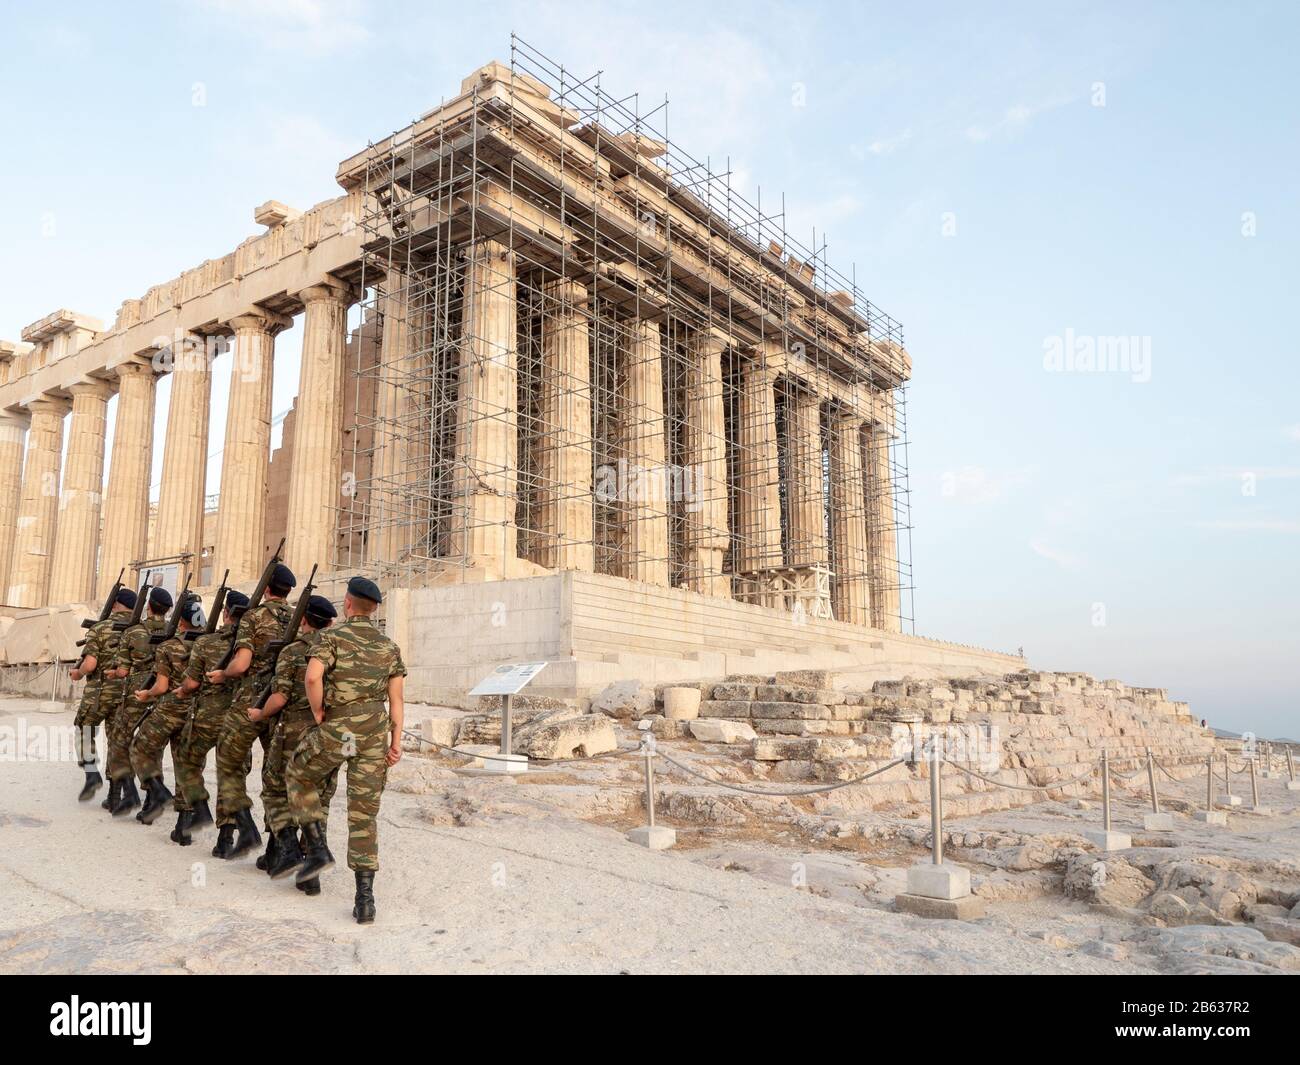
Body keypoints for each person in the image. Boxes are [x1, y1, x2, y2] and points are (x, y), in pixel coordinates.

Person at [285, 577, 405, 924]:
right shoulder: (389, 647)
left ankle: (317, 847)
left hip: (338, 730)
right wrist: (395, 743)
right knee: (363, 815)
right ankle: (364, 900)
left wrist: (319, 710)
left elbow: (312, 677)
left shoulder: (331, 638)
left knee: (298, 775)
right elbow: (396, 701)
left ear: (348, 604)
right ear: (375, 608)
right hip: (373, 734)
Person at [208, 563, 296, 858]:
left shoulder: (253, 616)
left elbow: (242, 663)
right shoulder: (298, 617)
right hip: (282, 702)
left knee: (230, 763)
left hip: (249, 700)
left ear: (266, 588)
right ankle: (275, 851)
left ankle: (230, 834)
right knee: (277, 774)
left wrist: (224, 674)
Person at [256, 594, 340, 895]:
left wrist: (259, 712)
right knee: (319, 798)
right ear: (330, 622)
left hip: (292, 734)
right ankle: (310, 873)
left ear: (303, 619)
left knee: (276, 792)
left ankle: (289, 850)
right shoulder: (338, 649)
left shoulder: (293, 652)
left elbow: (279, 698)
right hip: (329, 736)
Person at [173, 590, 249, 849]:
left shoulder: (206, 643)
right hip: (238, 720)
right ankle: (226, 839)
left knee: (187, 763)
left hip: (206, 715)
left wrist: (182, 690)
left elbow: (192, 683)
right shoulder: (252, 646)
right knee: (231, 773)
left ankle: (186, 822)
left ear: (226, 613)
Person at [128, 593, 203, 827]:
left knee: (140, 747)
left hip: (170, 708)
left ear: (180, 621)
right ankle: (184, 825)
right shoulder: (210, 643)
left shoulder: (168, 646)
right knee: (186, 762)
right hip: (196, 711)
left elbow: (161, 686)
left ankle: (157, 791)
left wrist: (146, 694)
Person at [105, 586, 171, 817]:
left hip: (136, 692)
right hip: (162, 691)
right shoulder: (172, 631)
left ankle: (117, 795)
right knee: (153, 745)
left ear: (149, 606)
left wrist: (112, 673)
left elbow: (122, 671)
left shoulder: (134, 632)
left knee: (119, 740)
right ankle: (151, 801)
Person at [69, 587, 134, 803]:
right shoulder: (138, 629)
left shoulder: (101, 628)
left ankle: (91, 774)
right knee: (117, 741)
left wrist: (77, 673)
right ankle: (114, 796)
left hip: (100, 691)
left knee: (83, 730)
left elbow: (90, 664)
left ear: (115, 604)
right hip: (126, 694)